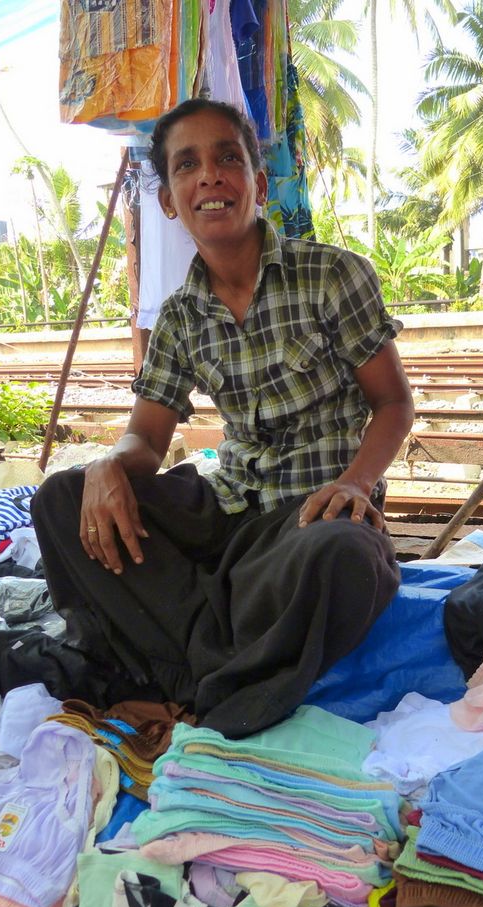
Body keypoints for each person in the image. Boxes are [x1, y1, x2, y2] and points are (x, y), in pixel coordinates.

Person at [31, 98, 415, 737]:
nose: (209, 175)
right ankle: (215, 657)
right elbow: (147, 440)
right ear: (169, 201)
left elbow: (394, 403)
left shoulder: (332, 276)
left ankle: (190, 679)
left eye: (227, 158)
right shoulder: (179, 317)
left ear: (258, 183)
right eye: (187, 165)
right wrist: (106, 465)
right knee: (62, 499)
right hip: (229, 516)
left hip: (311, 519)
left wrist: (355, 483)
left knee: (347, 558)